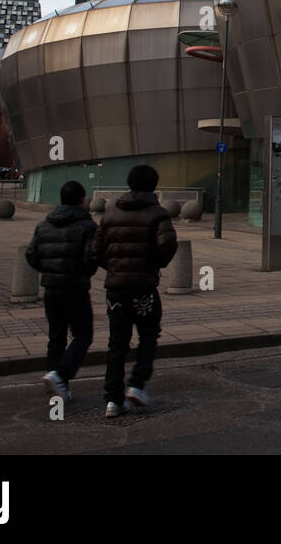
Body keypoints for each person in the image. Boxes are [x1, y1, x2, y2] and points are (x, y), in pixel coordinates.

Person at [93, 164, 177, 418]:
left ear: (129, 184)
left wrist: (114, 268)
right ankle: (137, 384)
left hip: (115, 289)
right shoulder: (158, 213)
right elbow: (168, 245)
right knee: (149, 334)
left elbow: (96, 251)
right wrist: (154, 265)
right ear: (154, 186)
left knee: (117, 343)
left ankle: (113, 400)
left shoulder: (109, 213)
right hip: (143, 288)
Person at [25, 180, 97, 401]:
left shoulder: (44, 224)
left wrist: (49, 270)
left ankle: (58, 389)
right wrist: (83, 272)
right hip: (75, 288)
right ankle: (60, 375)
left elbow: (31, 255)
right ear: (82, 200)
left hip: (51, 288)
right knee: (83, 334)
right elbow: (91, 258)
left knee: (56, 337)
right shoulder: (87, 226)